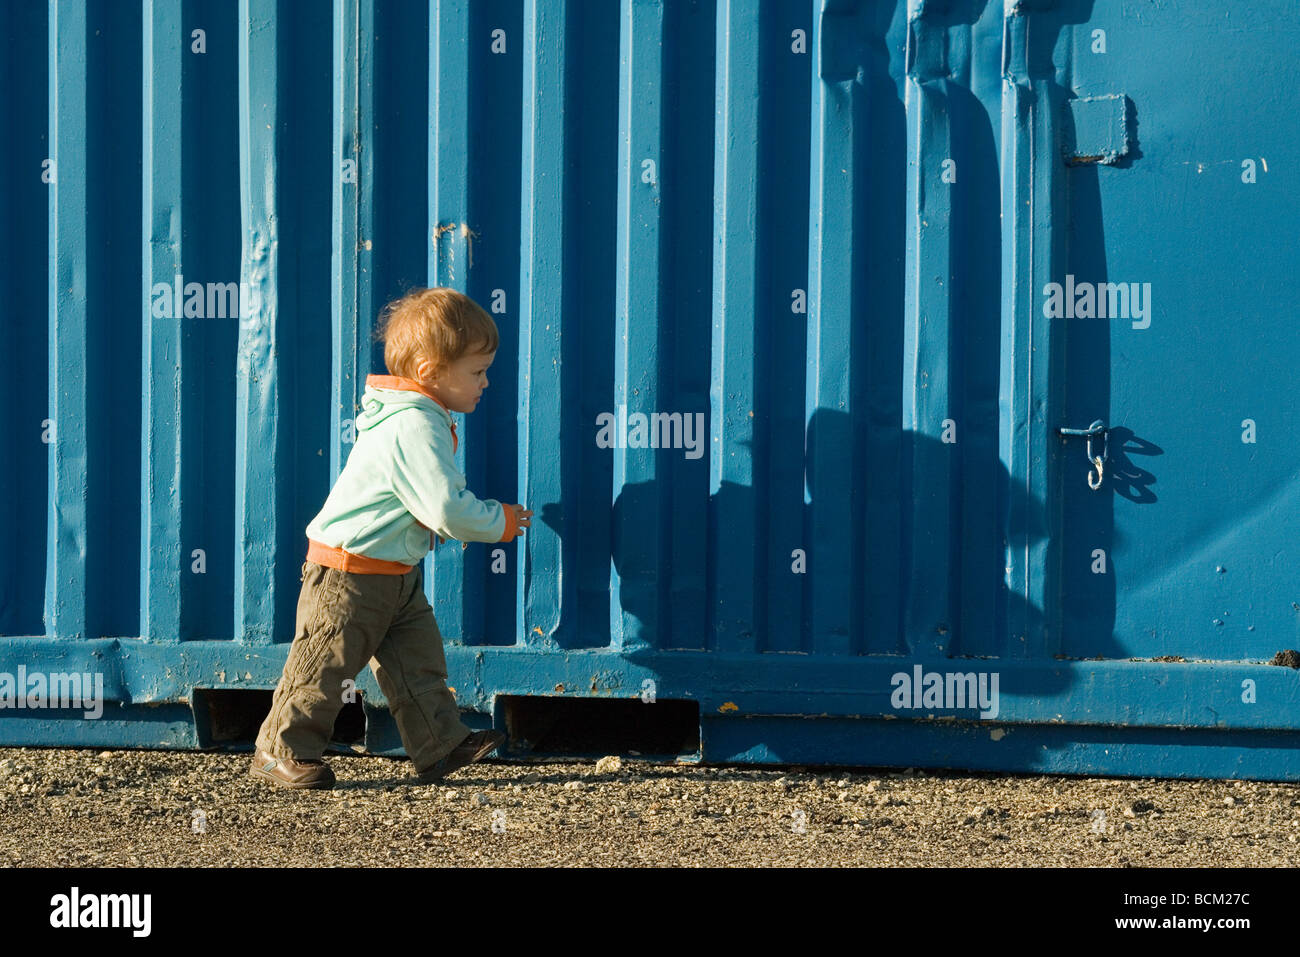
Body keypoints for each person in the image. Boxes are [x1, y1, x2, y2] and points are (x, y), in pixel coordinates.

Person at [251, 287, 531, 789]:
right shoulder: (413, 424)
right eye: (477, 371)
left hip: (394, 573)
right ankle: (279, 749)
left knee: (417, 664)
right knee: (323, 666)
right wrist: (500, 521)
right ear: (429, 373)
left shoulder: (420, 416)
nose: (487, 382)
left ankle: (438, 744)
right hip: (348, 573)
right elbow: (445, 507)